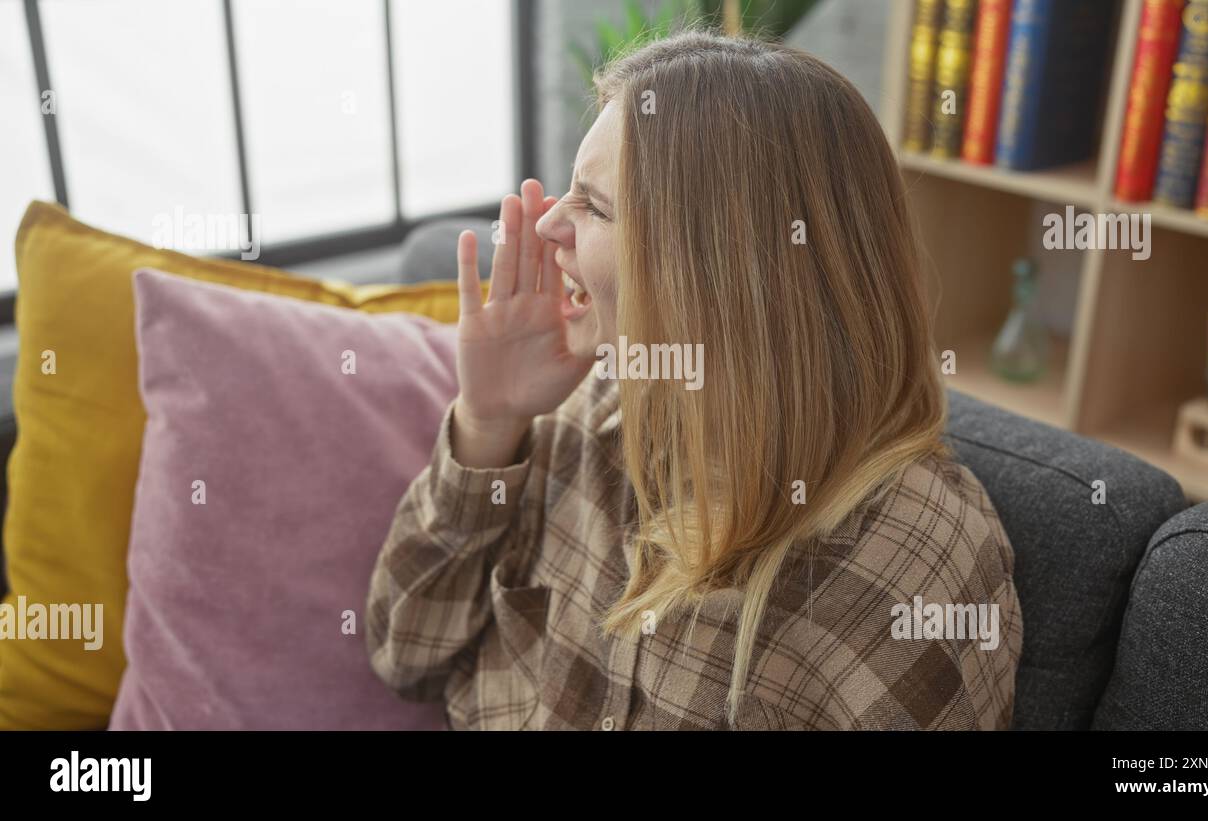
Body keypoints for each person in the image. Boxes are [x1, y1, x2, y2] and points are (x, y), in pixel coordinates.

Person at [366, 30, 1022, 730]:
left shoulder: (909, 566)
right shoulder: (581, 407)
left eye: (593, 204)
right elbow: (402, 653)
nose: (550, 223)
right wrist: (489, 421)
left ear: (711, 275)